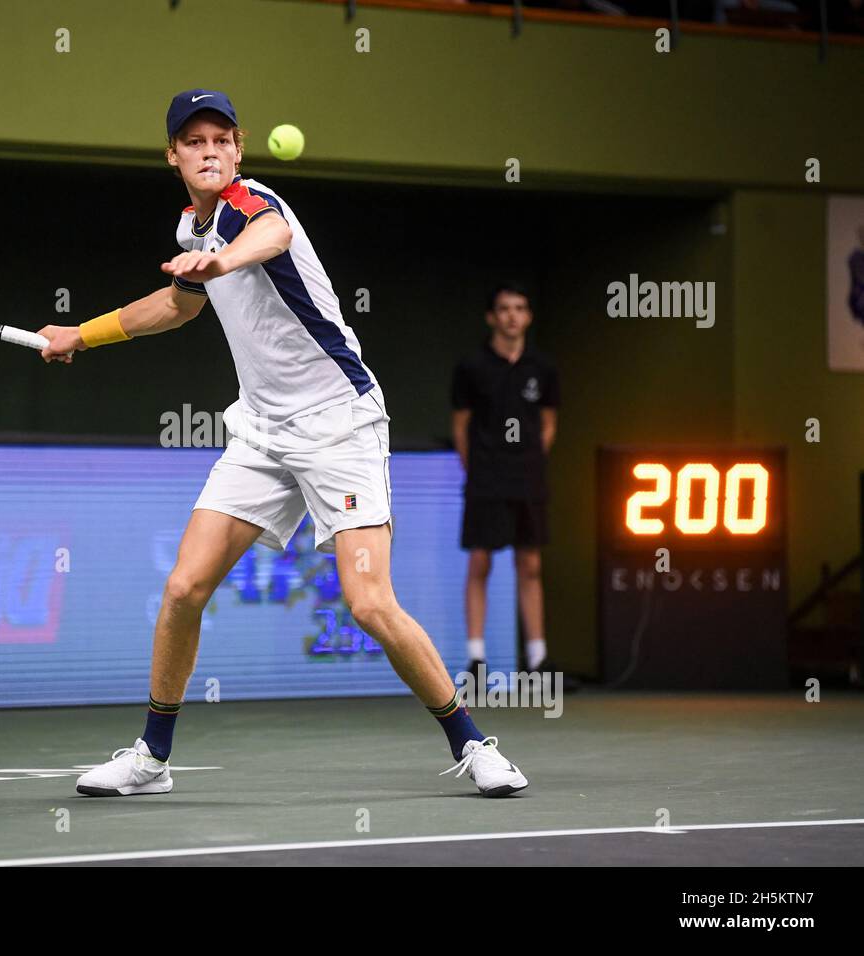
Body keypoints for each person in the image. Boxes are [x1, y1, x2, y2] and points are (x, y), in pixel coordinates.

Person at [37, 90, 528, 798]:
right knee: (183, 588)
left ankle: (472, 742)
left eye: (220, 139)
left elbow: (272, 238)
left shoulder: (251, 205)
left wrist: (223, 261)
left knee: (369, 603)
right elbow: (174, 306)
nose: (208, 151)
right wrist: (80, 333)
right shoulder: (190, 232)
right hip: (263, 432)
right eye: (193, 141)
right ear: (172, 155)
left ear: (237, 151)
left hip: (339, 424)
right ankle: (153, 755)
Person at [451, 283, 573, 691]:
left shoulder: (543, 367)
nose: (512, 316)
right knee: (480, 564)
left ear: (529, 316)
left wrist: (532, 460)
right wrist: (479, 469)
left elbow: (550, 422)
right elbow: (461, 427)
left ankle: (538, 660)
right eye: (504, 309)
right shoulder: (471, 366)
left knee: (530, 564)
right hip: (486, 479)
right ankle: (477, 658)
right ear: (491, 317)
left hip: (528, 479)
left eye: (520, 308)